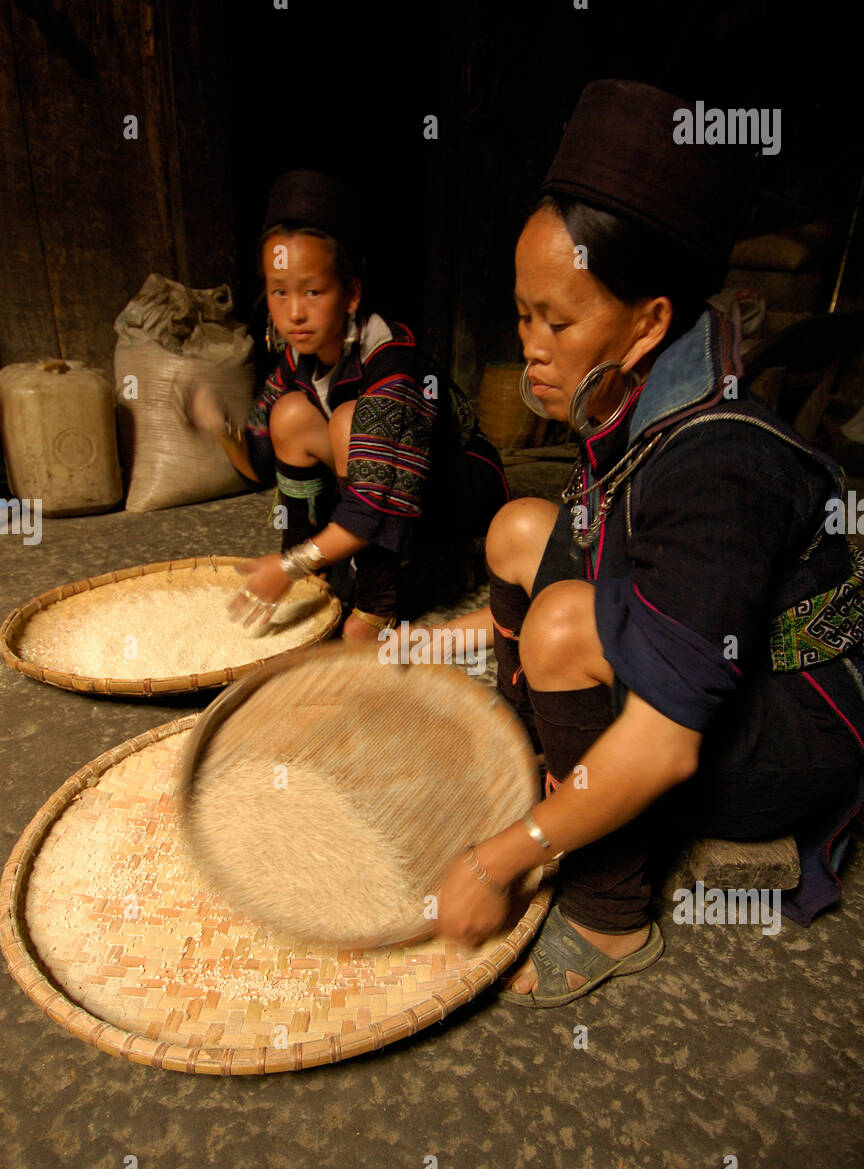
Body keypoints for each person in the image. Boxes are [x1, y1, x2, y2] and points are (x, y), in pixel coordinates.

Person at [433, 80, 864, 1005]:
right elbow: (589, 543)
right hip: (708, 665)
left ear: (651, 320)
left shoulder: (723, 467)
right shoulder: (632, 395)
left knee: (558, 628)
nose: (533, 348)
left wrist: (506, 856)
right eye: (523, 315)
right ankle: (542, 766)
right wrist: (437, 642)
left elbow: (667, 744)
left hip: (791, 726)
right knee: (519, 529)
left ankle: (608, 912)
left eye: (559, 322)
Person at [186, 170, 507, 639]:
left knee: (345, 419)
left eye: (313, 291)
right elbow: (259, 459)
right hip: (375, 491)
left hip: (455, 495)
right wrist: (218, 426)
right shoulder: (295, 359)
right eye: (280, 291)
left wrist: (286, 566)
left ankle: (378, 606)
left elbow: (379, 502)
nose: (295, 311)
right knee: (290, 415)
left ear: (351, 293)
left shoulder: (391, 359)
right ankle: (315, 581)